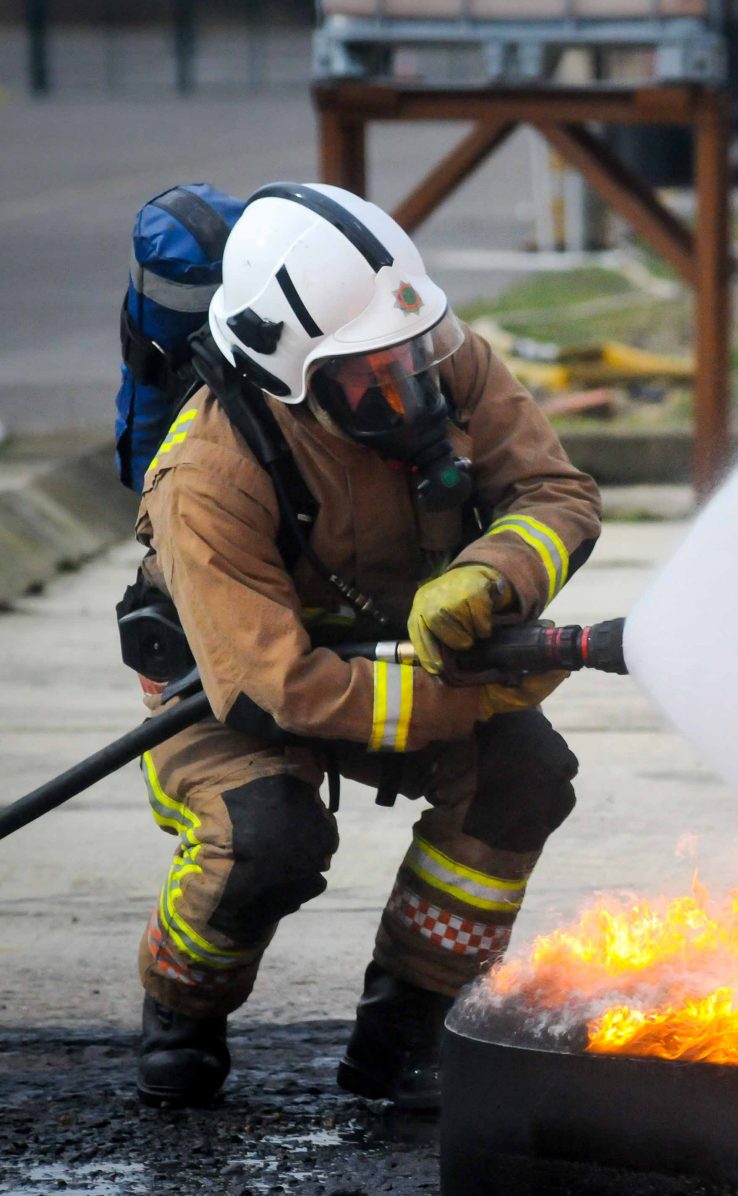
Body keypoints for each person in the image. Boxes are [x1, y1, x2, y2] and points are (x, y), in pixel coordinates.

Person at [130, 182, 602, 1110]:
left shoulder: (441, 358)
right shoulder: (206, 475)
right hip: (225, 690)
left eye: (414, 353)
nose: (410, 386)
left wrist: (494, 576)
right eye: (369, 373)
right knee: (268, 838)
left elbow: (557, 493)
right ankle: (182, 1014)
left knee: (526, 778)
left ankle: (408, 1029)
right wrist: (472, 699)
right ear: (287, 374)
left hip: (406, 657)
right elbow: (277, 692)